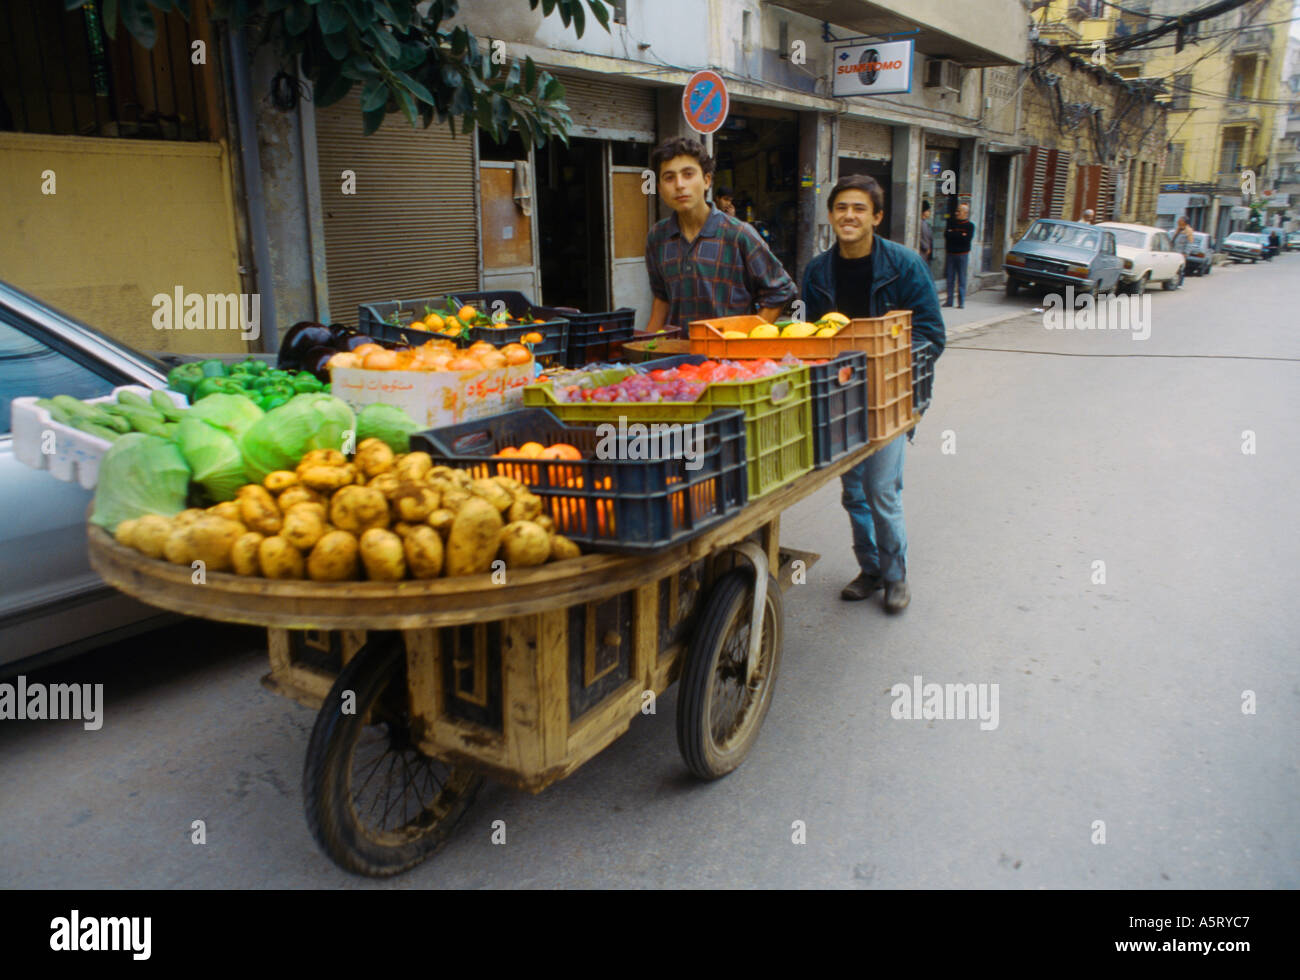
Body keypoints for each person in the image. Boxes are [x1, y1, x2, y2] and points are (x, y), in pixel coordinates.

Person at [801, 175, 946, 612]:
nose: (849, 215)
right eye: (841, 207)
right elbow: (815, 338)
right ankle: (871, 570)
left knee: (882, 489)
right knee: (854, 494)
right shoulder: (817, 271)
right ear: (830, 215)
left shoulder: (904, 265)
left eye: (860, 208)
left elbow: (931, 335)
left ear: (877, 217)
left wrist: (886, 361)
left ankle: (896, 575)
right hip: (842, 399)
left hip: (892, 396)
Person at [645, 138, 795, 331]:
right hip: (677, 356)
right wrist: (646, 348)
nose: (679, 185)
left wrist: (746, 339)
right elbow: (662, 297)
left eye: (688, 174)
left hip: (728, 358)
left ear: (707, 180)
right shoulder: (657, 237)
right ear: (659, 187)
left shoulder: (739, 234)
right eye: (669, 177)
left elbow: (781, 290)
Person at [943, 203, 974, 308]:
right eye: (957, 211)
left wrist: (954, 235)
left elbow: (966, 240)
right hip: (950, 253)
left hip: (962, 254)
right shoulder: (951, 223)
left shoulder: (969, 226)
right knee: (950, 278)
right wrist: (959, 235)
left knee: (961, 278)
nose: (956, 213)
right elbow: (947, 235)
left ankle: (961, 302)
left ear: (965, 213)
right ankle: (949, 301)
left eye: (959, 211)